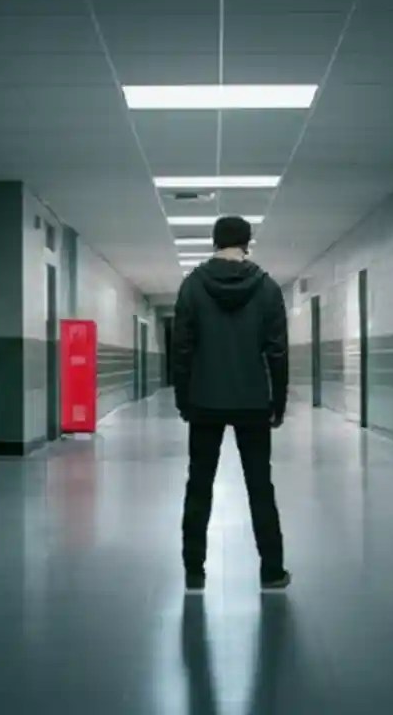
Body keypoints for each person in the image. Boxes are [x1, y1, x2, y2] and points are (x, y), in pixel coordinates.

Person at [173, 215, 290, 593]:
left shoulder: (192, 287)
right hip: (253, 402)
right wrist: (279, 400)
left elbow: (182, 349)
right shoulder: (267, 288)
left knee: (199, 485)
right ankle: (272, 572)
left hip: (205, 400)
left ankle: (194, 572)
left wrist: (183, 398)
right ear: (247, 242)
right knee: (260, 486)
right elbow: (277, 352)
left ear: (213, 242)